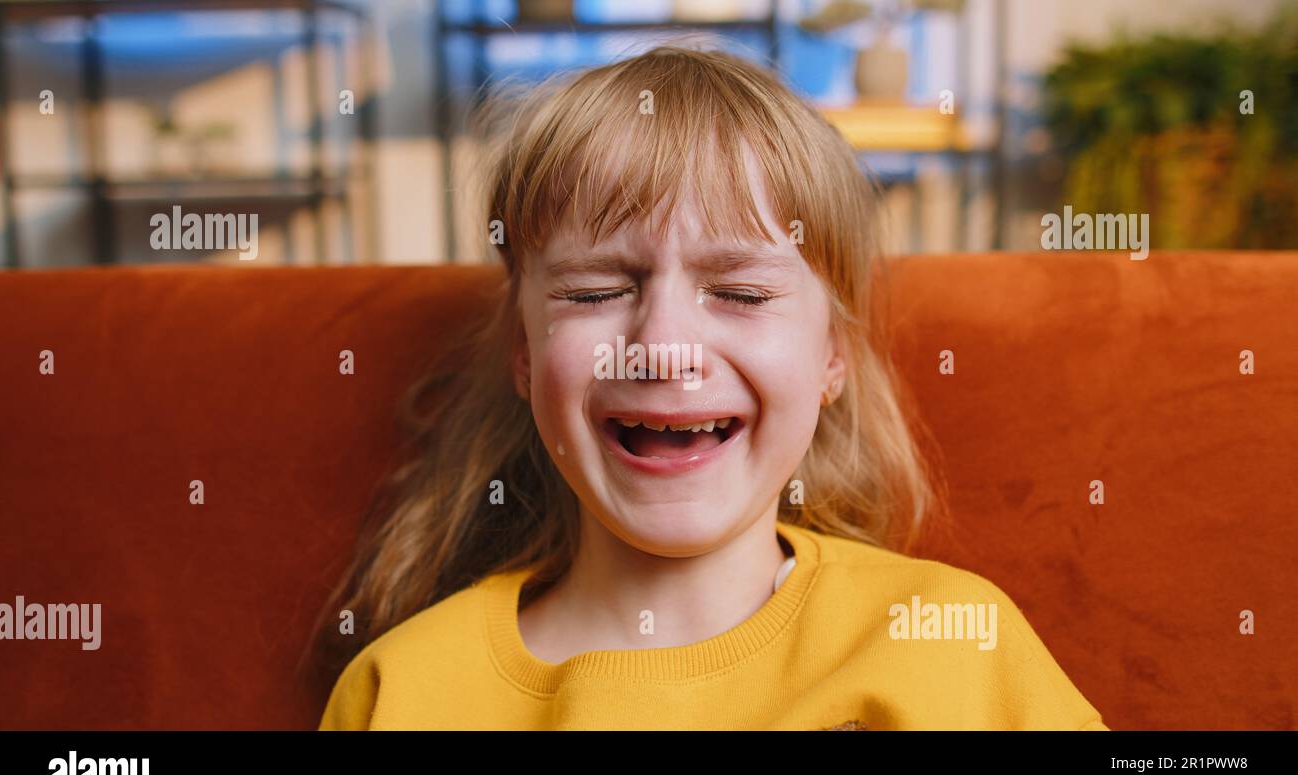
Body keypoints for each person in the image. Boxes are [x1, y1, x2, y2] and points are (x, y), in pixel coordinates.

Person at [315, 42, 1107, 730]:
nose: (661, 350)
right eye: (594, 292)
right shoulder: (402, 691)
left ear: (833, 355)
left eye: (742, 293)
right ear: (524, 353)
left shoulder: (953, 641)